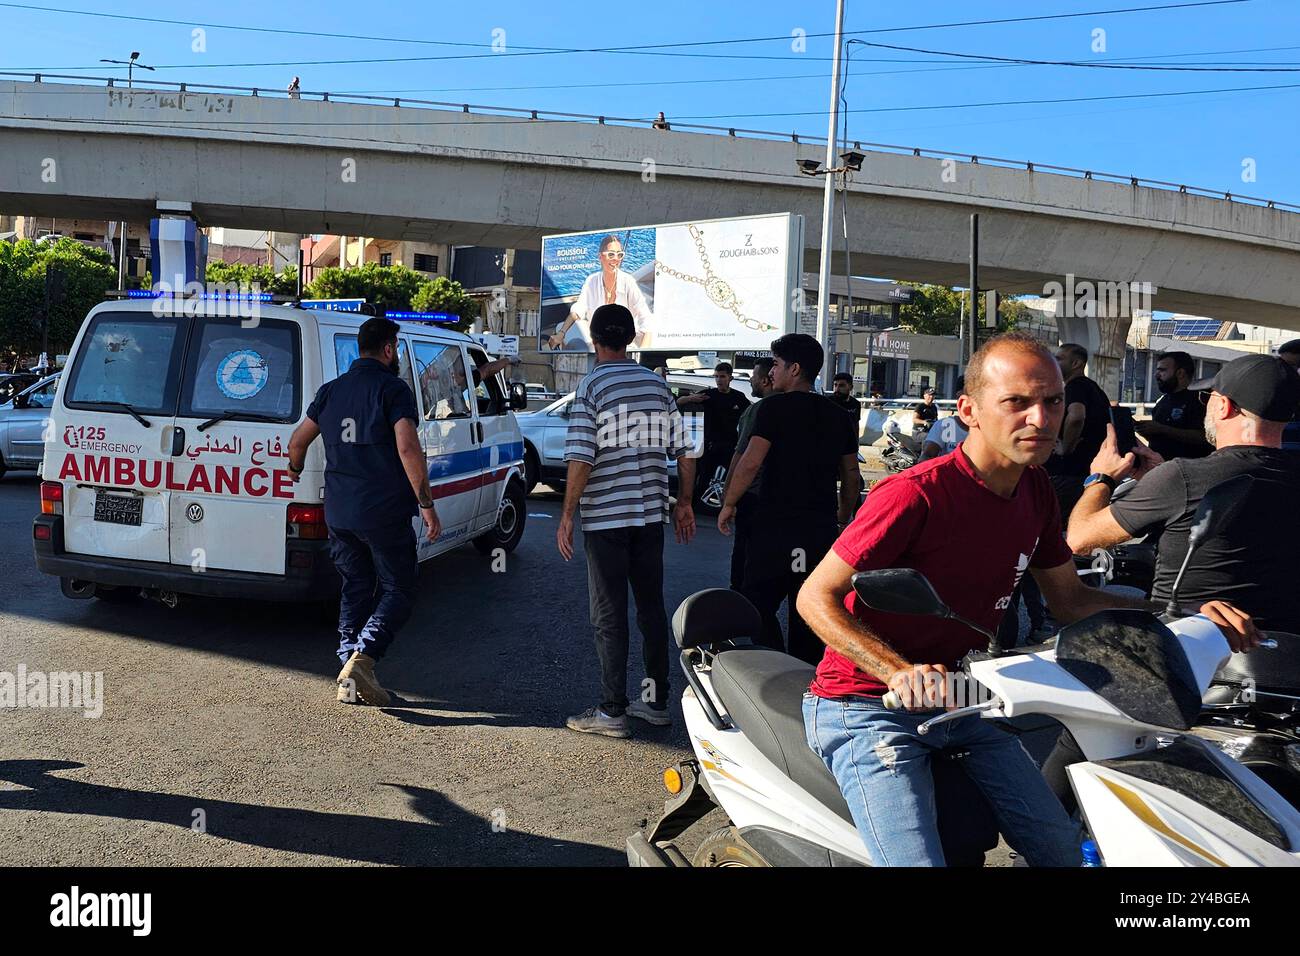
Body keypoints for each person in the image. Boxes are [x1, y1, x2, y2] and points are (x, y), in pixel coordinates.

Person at [795, 332, 1261, 867]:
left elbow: (1071, 600)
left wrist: (1182, 616)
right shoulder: (915, 493)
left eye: (1053, 401)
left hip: (957, 699)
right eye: (1017, 402)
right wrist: (899, 671)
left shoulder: (1034, 489)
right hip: (865, 705)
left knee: (1062, 851)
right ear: (969, 409)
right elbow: (815, 596)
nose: (1040, 418)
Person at [1067, 353, 1300, 634]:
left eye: (1208, 397)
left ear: (1224, 406)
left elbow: (1080, 540)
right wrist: (1160, 481)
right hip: (1286, 658)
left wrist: (1101, 478)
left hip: (1195, 656)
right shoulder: (1179, 479)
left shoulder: (1182, 478)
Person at [286, 317, 441, 707]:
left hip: (340, 511)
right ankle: (364, 657)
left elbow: (298, 442)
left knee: (355, 586)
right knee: (399, 588)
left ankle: (349, 670)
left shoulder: (330, 391)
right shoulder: (394, 389)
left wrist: (295, 469)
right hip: (383, 511)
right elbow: (407, 448)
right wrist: (426, 504)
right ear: (389, 349)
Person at [557, 304, 696, 738]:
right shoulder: (657, 386)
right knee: (651, 608)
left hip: (605, 521)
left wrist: (565, 516)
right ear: (632, 338)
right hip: (649, 516)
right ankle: (655, 702)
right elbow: (687, 449)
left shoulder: (591, 387)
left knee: (608, 615)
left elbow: (582, 457)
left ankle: (611, 711)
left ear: (594, 340)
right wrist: (685, 503)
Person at [718, 334, 858, 664]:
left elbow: (750, 462)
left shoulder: (772, 409)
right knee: (808, 605)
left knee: (756, 602)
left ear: (794, 369)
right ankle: (804, 676)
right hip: (819, 529)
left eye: (777, 365)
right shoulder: (839, 415)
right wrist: (842, 517)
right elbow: (851, 476)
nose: (772, 373)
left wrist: (728, 504)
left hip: (773, 527)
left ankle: (773, 666)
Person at [720, 357, 776, 590]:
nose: (750, 380)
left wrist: (728, 498)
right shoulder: (815, 409)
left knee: (744, 567)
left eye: (753, 376)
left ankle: (742, 613)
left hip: (754, 498)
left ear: (765, 380)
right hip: (793, 505)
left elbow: (744, 459)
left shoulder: (758, 410)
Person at [548, 235, 654, 351]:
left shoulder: (628, 282)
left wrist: (643, 351)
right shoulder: (591, 281)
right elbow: (578, 310)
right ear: (600, 256)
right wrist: (561, 333)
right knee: (576, 343)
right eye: (611, 254)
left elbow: (646, 317)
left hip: (623, 344)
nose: (616, 259)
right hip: (599, 342)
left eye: (620, 255)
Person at [1044, 343, 1112, 520]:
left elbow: (1076, 416)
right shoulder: (1094, 389)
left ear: (1076, 364)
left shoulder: (1075, 387)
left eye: (1060, 358)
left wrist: (1065, 448)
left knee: (1054, 523)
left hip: (1069, 472)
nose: (1054, 362)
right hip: (1087, 471)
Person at [677, 362, 750, 508]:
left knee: (727, 475)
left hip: (730, 443)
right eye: (716, 377)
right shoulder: (709, 395)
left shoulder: (738, 397)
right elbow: (679, 401)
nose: (719, 380)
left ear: (730, 378)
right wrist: (691, 399)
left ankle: (725, 502)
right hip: (709, 443)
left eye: (722, 376)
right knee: (704, 474)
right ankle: (697, 504)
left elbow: (749, 413)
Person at [1135, 351, 1211, 460]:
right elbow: (1162, 438)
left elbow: (1205, 437)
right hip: (1161, 468)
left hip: (1189, 470)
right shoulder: (1163, 401)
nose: (1156, 375)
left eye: (1162, 370)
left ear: (1180, 373)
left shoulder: (1200, 399)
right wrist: (1145, 430)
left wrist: (1162, 429)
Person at [917, 376, 969, 462]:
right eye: (929, 395)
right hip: (919, 431)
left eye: (933, 395)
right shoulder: (920, 406)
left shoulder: (934, 407)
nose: (931, 397)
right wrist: (924, 422)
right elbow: (927, 457)